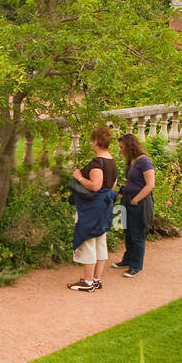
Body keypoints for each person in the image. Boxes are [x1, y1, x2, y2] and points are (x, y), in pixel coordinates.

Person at [67, 125, 118, 292]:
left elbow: (95, 186)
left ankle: (88, 282)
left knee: (88, 239)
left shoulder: (98, 163)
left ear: (96, 141)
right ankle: (96, 279)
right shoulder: (111, 161)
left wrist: (79, 177)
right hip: (106, 204)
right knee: (100, 240)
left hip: (93, 206)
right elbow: (112, 185)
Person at [113, 133, 155, 276]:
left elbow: (150, 184)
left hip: (139, 202)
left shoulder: (144, 161)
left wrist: (136, 199)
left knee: (137, 235)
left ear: (129, 146)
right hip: (128, 200)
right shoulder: (132, 161)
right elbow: (132, 182)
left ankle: (136, 266)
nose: (120, 150)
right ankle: (127, 259)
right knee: (128, 232)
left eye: (121, 147)